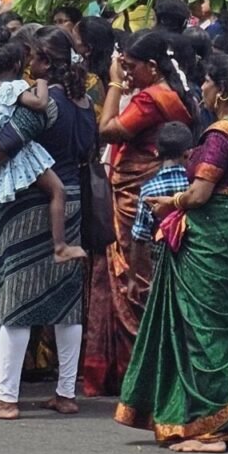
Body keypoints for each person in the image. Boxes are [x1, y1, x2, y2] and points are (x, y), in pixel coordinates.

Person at [116, 50, 228, 452]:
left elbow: (201, 194)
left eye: (206, 81)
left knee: (204, 330)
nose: (201, 88)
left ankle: (210, 429)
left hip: (214, 240)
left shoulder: (220, 135)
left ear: (222, 90)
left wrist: (171, 203)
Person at [0, 30, 96, 421]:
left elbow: (5, 144)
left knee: (16, 298)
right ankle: (66, 393)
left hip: (28, 202)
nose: (28, 64)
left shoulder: (44, 103)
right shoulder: (85, 102)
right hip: (70, 201)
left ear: (45, 61)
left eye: (34, 57)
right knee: (65, 303)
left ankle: (6, 398)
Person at [82, 31, 197, 395]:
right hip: (148, 190)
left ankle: (136, 371)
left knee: (131, 278)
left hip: (137, 196)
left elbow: (108, 130)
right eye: (124, 67)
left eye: (131, 67)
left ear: (152, 66)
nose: (127, 73)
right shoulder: (171, 91)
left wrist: (115, 83)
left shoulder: (151, 98)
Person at [131, 122, 195, 243]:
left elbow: (139, 236)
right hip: (195, 251)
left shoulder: (148, 190)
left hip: (160, 252)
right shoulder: (196, 185)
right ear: (188, 153)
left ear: (156, 152)